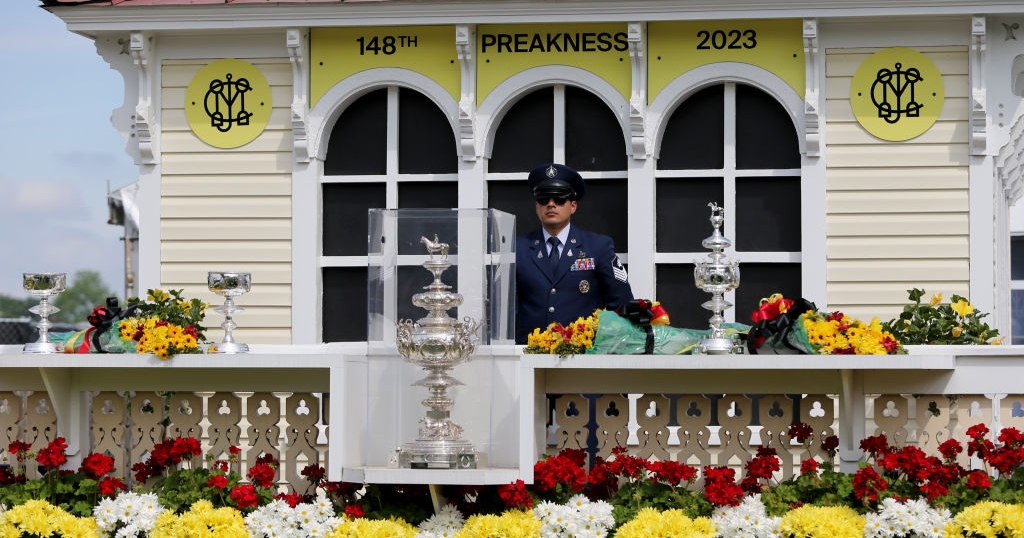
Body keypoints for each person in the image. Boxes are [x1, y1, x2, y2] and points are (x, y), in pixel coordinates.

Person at [515, 163, 634, 344]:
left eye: (559, 199)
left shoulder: (598, 247)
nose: (551, 204)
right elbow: (505, 311)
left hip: (582, 353)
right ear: (537, 206)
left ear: (573, 206)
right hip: (528, 352)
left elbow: (621, 303)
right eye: (544, 199)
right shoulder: (518, 249)